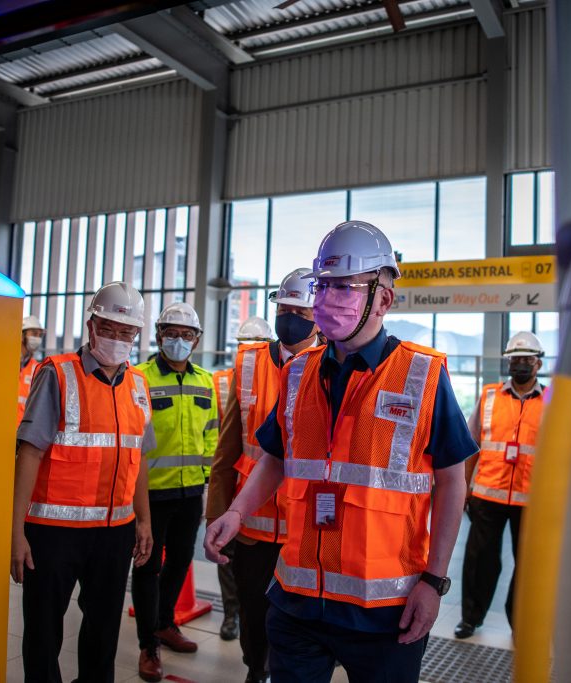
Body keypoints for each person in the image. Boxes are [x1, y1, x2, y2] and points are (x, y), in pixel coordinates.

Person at [204, 221, 477, 683]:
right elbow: (275, 458)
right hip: (298, 600)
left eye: (344, 287)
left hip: (385, 610)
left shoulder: (422, 376)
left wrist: (433, 581)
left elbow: (453, 480)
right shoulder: (298, 374)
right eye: (323, 285)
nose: (327, 299)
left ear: (383, 299)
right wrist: (237, 512)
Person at [10, 281, 155, 683]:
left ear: (137, 335)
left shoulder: (139, 388)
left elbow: (138, 459)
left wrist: (143, 521)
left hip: (113, 533)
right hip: (53, 532)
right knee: (43, 631)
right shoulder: (57, 374)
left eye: (126, 332)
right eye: (109, 328)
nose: (117, 338)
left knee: (103, 631)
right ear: (91, 326)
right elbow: (30, 453)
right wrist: (16, 530)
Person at [206, 270, 320, 683]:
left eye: (300, 311)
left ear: (318, 315)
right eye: (284, 309)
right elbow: (228, 448)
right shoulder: (249, 362)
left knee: (298, 620)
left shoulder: (334, 364)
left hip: (305, 526)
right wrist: (216, 515)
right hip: (251, 525)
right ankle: (256, 669)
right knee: (255, 612)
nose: (290, 318)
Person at [132, 301, 218, 681]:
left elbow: (211, 434)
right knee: (147, 568)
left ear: (197, 340)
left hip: (188, 494)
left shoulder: (205, 381)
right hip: (150, 494)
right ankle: (148, 644)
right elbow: (133, 439)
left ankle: (166, 623)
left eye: (186, 335)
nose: (178, 341)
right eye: (171, 333)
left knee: (180, 562)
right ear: (158, 336)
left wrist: (205, 486)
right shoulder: (140, 377)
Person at [455, 331, 547, 639]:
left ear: (538, 364)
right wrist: (464, 488)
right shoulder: (490, 396)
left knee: (529, 568)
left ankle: (521, 625)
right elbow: (471, 446)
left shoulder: (550, 402)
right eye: (515, 359)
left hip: (532, 500)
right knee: (479, 561)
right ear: (508, 362)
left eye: (527, 360)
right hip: (487, 494)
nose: (521, 364)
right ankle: (470, 619)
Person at [211, 315, 274, 643]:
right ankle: (231, 613)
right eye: (243, 345)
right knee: (230, 566)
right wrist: (217, 508)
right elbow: (223, 444)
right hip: (238, 496)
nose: (248, 351)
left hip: (273, 504)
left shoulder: (290, 372)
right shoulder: (223, 379)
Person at [17, 315, 45, 425]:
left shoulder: (37, 368)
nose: (37, 338)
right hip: (2, 427)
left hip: (21, 433)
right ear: (22, 335)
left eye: (40, 335)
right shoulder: (7, 363)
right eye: (34, 333)